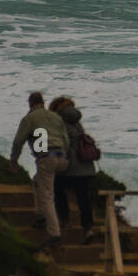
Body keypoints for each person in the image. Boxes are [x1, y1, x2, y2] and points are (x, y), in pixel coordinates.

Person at [10, 90, 70, 250]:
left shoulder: (30, 118)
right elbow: (66, 139)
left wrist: (13, 160)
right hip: (62, 158)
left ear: (30, 103)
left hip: (47, 158)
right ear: (43, 102)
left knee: (47, 197)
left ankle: (54, 234)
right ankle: (39, 216)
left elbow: (18, 142)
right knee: (37, 181)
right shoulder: (56, 117)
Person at [50, 96, 98, 243]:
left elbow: (61, 145)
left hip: (69, 168)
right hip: (87, 168)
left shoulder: (59, 123)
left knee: (57, 189)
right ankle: (88, 228)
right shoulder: (78, 123)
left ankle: (65, 220)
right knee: (84, 199)